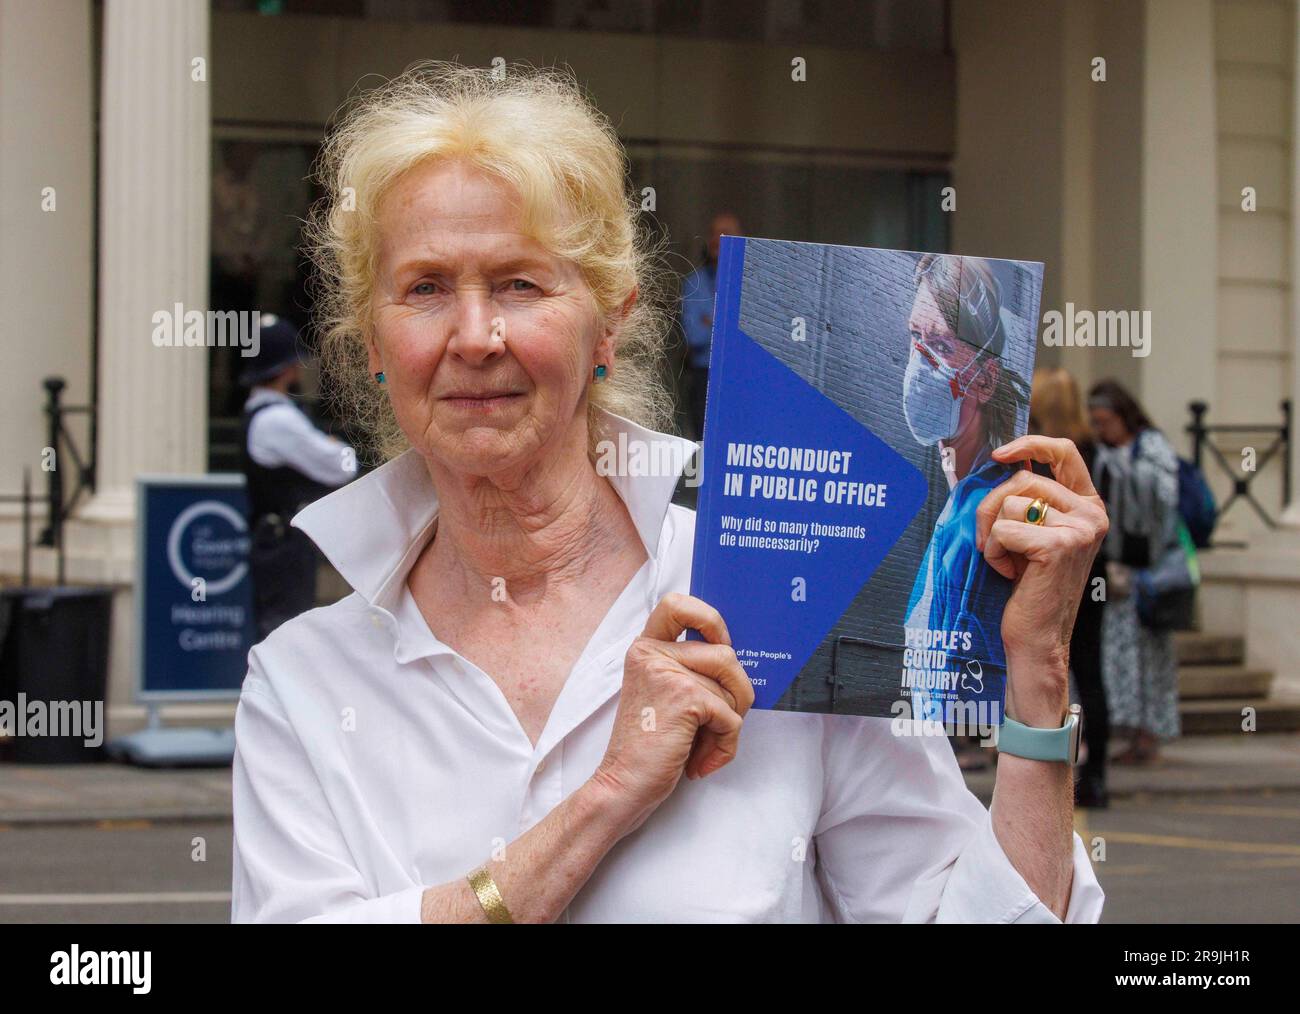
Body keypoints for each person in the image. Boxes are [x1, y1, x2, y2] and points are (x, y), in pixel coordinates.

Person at [231, 61, 1108, 924]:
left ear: (610, 320)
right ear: (374, 345)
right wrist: (607, 797)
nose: (474, 335)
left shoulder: (776, 599)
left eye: (520, 283)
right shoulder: (305, 684)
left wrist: (1038, 681)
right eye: (424, 289)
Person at [900, 254, 1031, 749]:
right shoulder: (963, 499)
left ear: (986, 378)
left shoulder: (982, 515)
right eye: (915, 338)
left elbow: (961, 703)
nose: (919, 362)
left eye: (938, 346)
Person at [240, 314, 356, 640]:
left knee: (280, 633)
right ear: (287, 368)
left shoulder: (256, 413)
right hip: (284, 547)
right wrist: (335, 446)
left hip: (272, 541)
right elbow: (343, 464)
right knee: (286, 636)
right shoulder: (279, 420)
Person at [1088, 379, 1181, 765]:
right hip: (1120, 570)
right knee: (1121, 656)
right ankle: (1130, 732)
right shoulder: (1102, 452)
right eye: (1095, 422)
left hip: (1150, 570)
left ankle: (1149, 735)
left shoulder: (1151, 447)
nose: (1101, 430)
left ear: (1124, 416)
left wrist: (1125, 473)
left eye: (1106, 421)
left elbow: (1166, 498)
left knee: (1152, 656)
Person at [1031, 368, 1110, 807]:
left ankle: (1043, 766)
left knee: (1043, 669)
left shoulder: (1039, 456)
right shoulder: (1096, 453)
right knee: (1088, 671)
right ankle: (1095, 773)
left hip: (1049, 570)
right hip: (1092, 571)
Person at [679, 212, 741, 439]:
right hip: (703, 378)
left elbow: (748, 336)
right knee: (704, 446)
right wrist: (727, 320)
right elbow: (694, 335)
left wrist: (711, 320)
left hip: (739, 377)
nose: (718, 239)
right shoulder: (693, 283)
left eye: (726, 234)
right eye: (714, 233)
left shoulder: (751, 285)